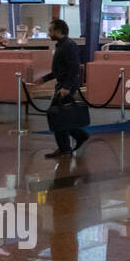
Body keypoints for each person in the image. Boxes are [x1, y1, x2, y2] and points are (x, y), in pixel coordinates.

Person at [38, 19, 88, 157]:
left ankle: (67, 146)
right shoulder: (62, 45)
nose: (49, 33)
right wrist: (44, 79)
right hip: (63, 85)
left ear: (58, 31)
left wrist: (66, 87)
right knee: (61, 116)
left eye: (51, 30)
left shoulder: (68, 46)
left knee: (56, 115)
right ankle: (77, 137)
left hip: (65, 86)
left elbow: (74, 68)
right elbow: (60, 69)